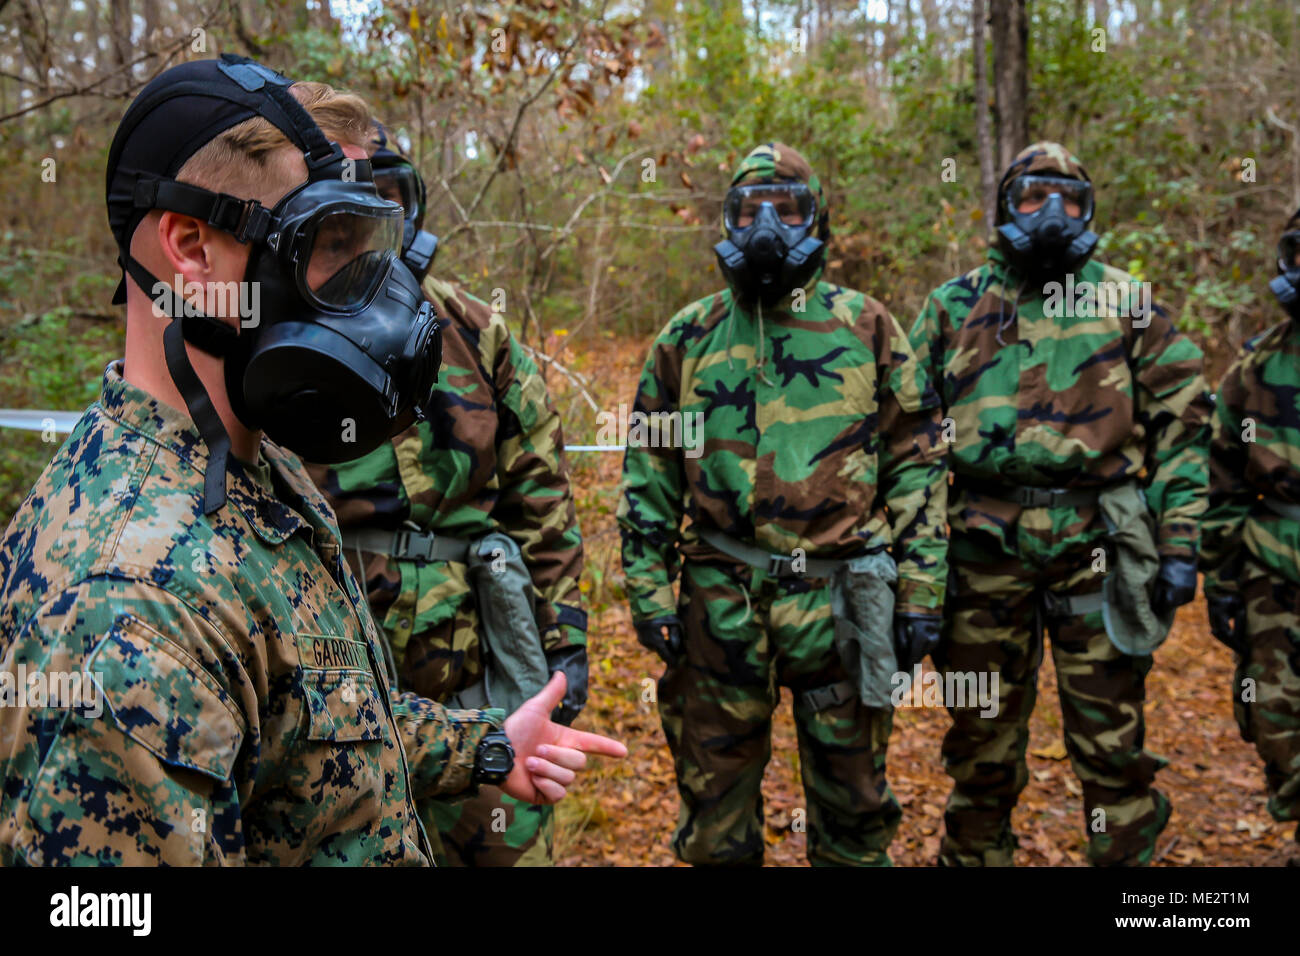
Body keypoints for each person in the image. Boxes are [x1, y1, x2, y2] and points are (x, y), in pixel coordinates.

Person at [0, 54, 623, 866]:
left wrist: (486, 745)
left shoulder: (255, 467)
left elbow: (316, 715)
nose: (374, 292)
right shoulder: (127, 609)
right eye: (332, 244)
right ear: (191, 247)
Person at [618, 142, 949, 866]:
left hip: (842, 598)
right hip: (720, 601)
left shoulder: (869, 328)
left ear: (819, 219)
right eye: (748, 210)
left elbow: (918, 465)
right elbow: (648, 471)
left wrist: (922, 592)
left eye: (790, 208)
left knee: (854, 808)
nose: (768, 224)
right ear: (727, 221)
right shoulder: (688, 337)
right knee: (716, 812)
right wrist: (648, 595)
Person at [908, 141, 1212, 866]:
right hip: (981, 555)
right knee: (982, 748)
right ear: (1005, 203)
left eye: (1070, 199)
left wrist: (1180, 543)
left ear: (1091, 209)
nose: (1052, 213)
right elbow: (906, 442)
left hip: (1099, 550)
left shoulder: (1128, 304)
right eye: (1034, 196)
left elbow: (1186, 425)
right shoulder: (955, 306)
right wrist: (912, 574)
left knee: (1111, 747)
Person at [308, 128, 588, 867]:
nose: (371, 230)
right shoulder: (282, 343)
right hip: (336, 688)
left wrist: (567, 642)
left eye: (389, 204)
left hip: (481, 676)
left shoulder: (475, 329)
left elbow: (542, 494)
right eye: (348, 211)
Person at [1201, 208, 1300, 866]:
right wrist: (1222, 580)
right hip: (1276, 576)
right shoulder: (1258, 366)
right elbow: (1224, 481)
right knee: (1274, 718)